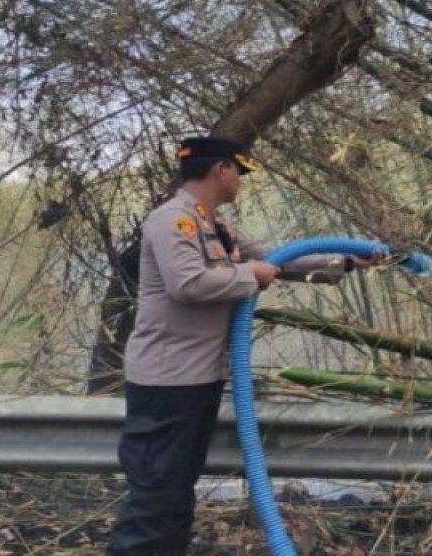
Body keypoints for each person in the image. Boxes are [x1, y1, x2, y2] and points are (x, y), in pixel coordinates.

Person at [105, 136, 378, 556]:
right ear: (221, 170)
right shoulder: (171, 221)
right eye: (239, 172)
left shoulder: (214, 225)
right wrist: (251, 273)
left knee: (176, 497)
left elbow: (277, 260)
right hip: (166, 384)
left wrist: (344, 261)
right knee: (156, 498)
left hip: (197, 380)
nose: (241, 182)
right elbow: (189, 283)